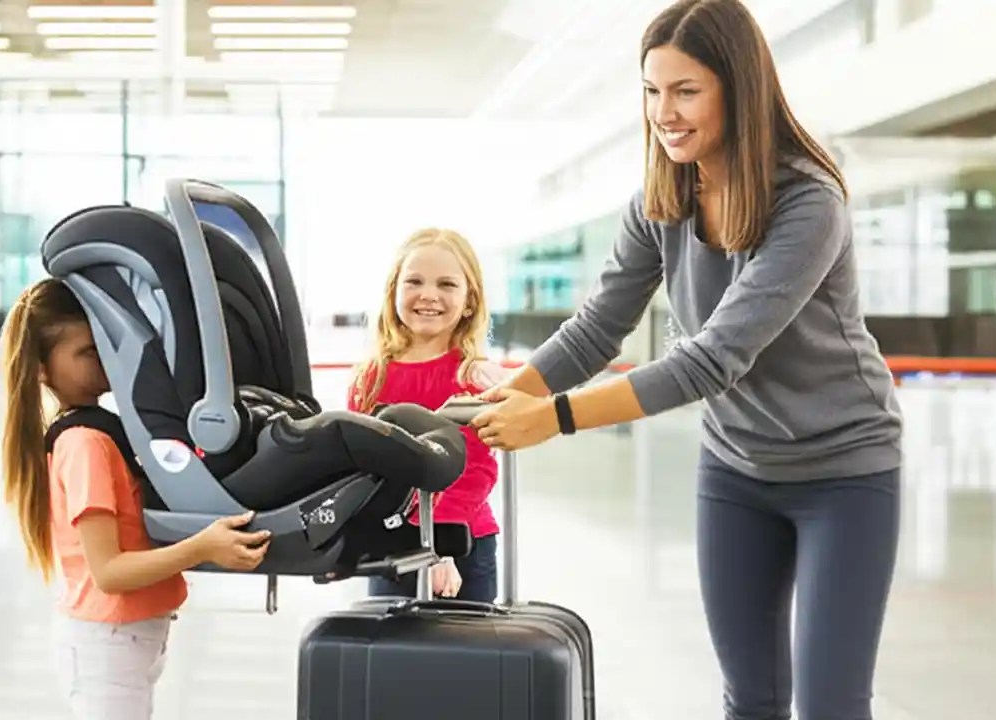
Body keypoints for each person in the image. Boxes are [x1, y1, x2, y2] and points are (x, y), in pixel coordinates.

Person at [471, 1, 903, 718]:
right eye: (651, 90)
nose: (662, 112)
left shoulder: (809, 202)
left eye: (685, 90)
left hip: (845, 475)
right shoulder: (662, 196)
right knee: (751, 698)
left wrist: (554, 417)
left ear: (738, 86)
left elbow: (712, 360)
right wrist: (498, 404)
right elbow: (596, 328)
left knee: (830, 704)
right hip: (736, 472)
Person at [0, 278, 272, 719]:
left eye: (104, 342)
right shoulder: (85, 442)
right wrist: (203, 547)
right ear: (42, 369)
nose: (103, 357)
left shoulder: (103, 429)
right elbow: (109, 571)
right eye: (86, 351)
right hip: (107, 643)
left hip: (124, 639)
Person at [349, 228, 507, 602]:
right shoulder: (371, 378)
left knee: (466, 657)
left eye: (447, 284)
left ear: (469, 301)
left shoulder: (474, 376)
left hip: (463, 544)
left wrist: (440, 546)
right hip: (392, 545)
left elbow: (475, 470)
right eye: (414, 281)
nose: (429, 295)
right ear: (394, 293)